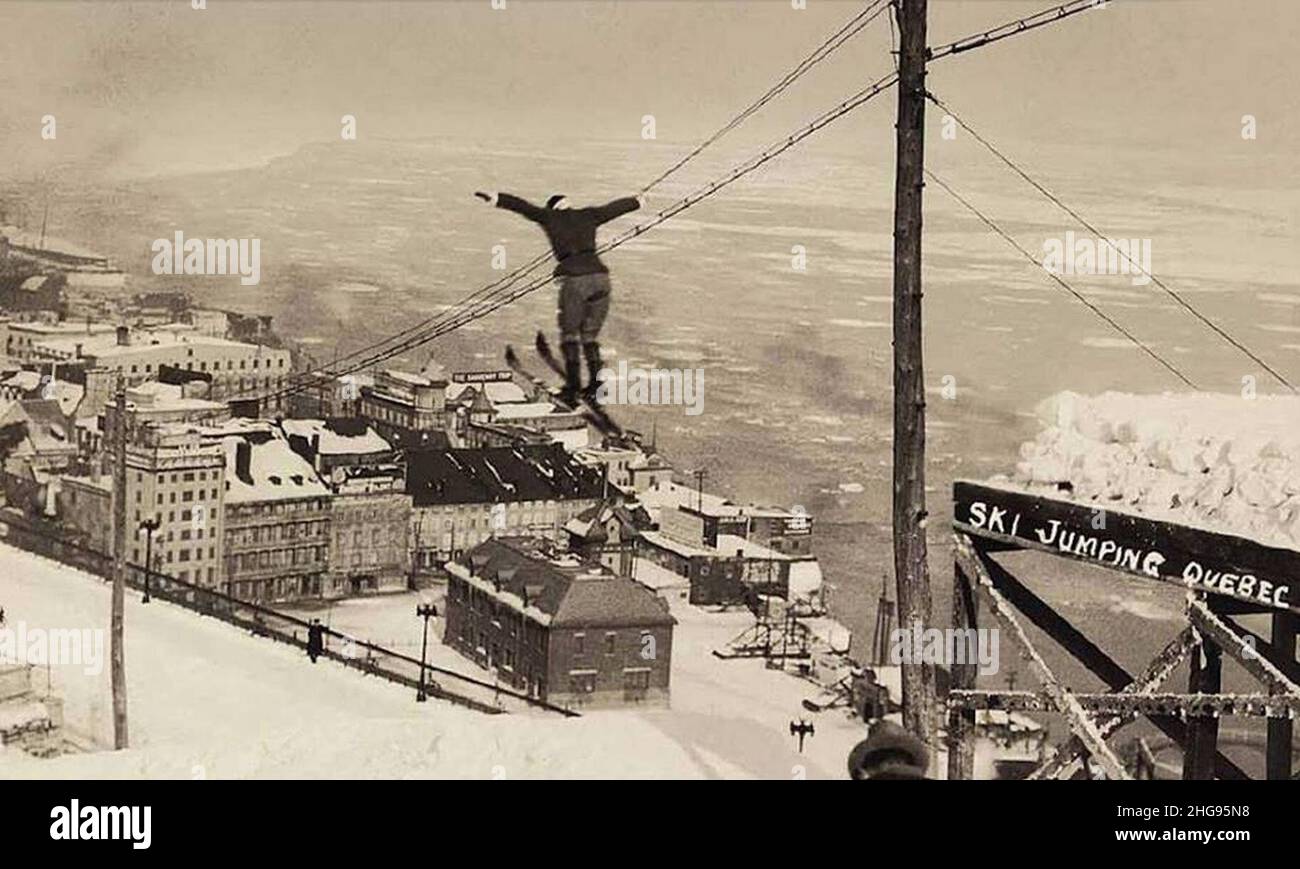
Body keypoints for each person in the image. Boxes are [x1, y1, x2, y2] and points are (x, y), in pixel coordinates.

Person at [474, 189, 644, 408]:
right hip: (602, 279)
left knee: (570, 335)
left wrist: (497, 199)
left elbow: (524, 207)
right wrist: (637, 201)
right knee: (590, 336)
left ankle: (573, 389)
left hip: (575, 281)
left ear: (552, 208)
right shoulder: (588, 215)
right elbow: (613, 209)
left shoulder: (550, 217)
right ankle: (596, 386)